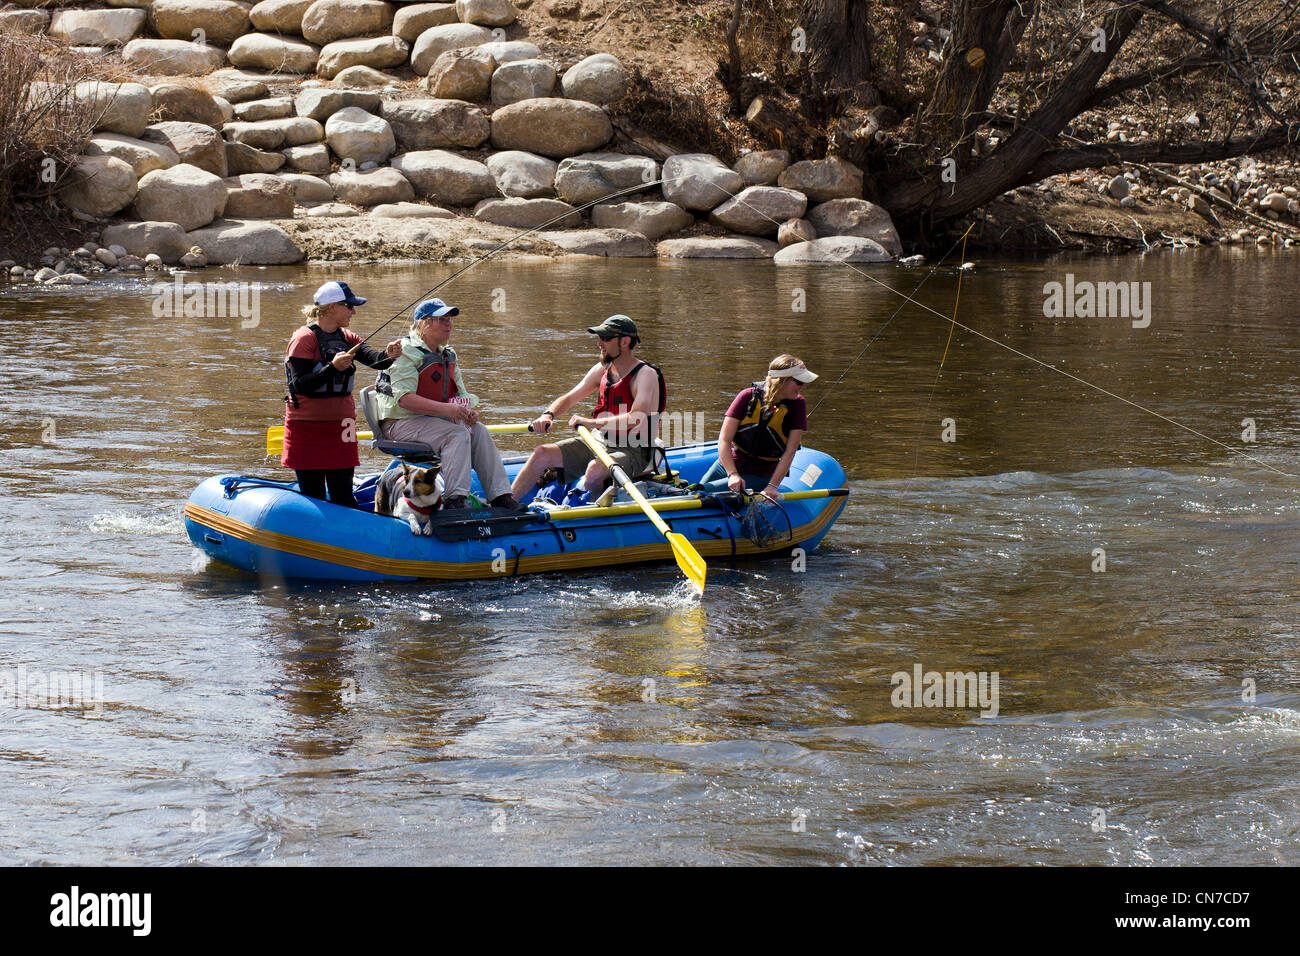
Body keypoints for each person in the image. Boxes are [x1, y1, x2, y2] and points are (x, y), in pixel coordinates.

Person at [374, 298, 525, 512]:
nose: (449, 324)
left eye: (450, 319)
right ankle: (455, 500)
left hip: (434, 422)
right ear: (422, 324)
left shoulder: (448, 354)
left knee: (479, 430)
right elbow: (405, 399)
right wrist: (448, 410)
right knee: (456, 434)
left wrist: (468, 412)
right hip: (399, 424)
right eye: (442, 320)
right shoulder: (405, 352)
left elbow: (462, 394)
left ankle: (501, 497)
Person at [511, 315, 666, 501]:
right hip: (599, 441)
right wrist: (548, 415)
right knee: (541, 454)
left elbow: (636, 418)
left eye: (605, 338)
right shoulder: (602, 369)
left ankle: (588, 512)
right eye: (599, 338)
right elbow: (570, 397)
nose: (599, 343)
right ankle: (506, 507)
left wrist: (591, 423)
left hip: (634, 450)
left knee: (594, 470)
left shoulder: (646, 375)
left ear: (625, 342)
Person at [283, 281, 403, 508]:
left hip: (341, 427)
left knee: (343, 496)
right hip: (307, 428)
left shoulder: (348, 337)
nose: (353, 312)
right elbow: (299, 385)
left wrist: (389, 354)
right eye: (349, 306)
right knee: (313, 496)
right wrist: (333, 368)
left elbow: (376, 361)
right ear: (332, 308)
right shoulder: (303, 339)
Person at [703, 354, 816, 502]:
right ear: (781, 381)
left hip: (760, 474)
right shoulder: (746, 396)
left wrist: (772, 486)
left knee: (703, 493)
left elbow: (790, 451)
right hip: (728, 465)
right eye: (799, 382)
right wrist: (732, 474)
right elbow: (724, 439)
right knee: (697, 490)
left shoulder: (798, 404)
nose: (803, 386)